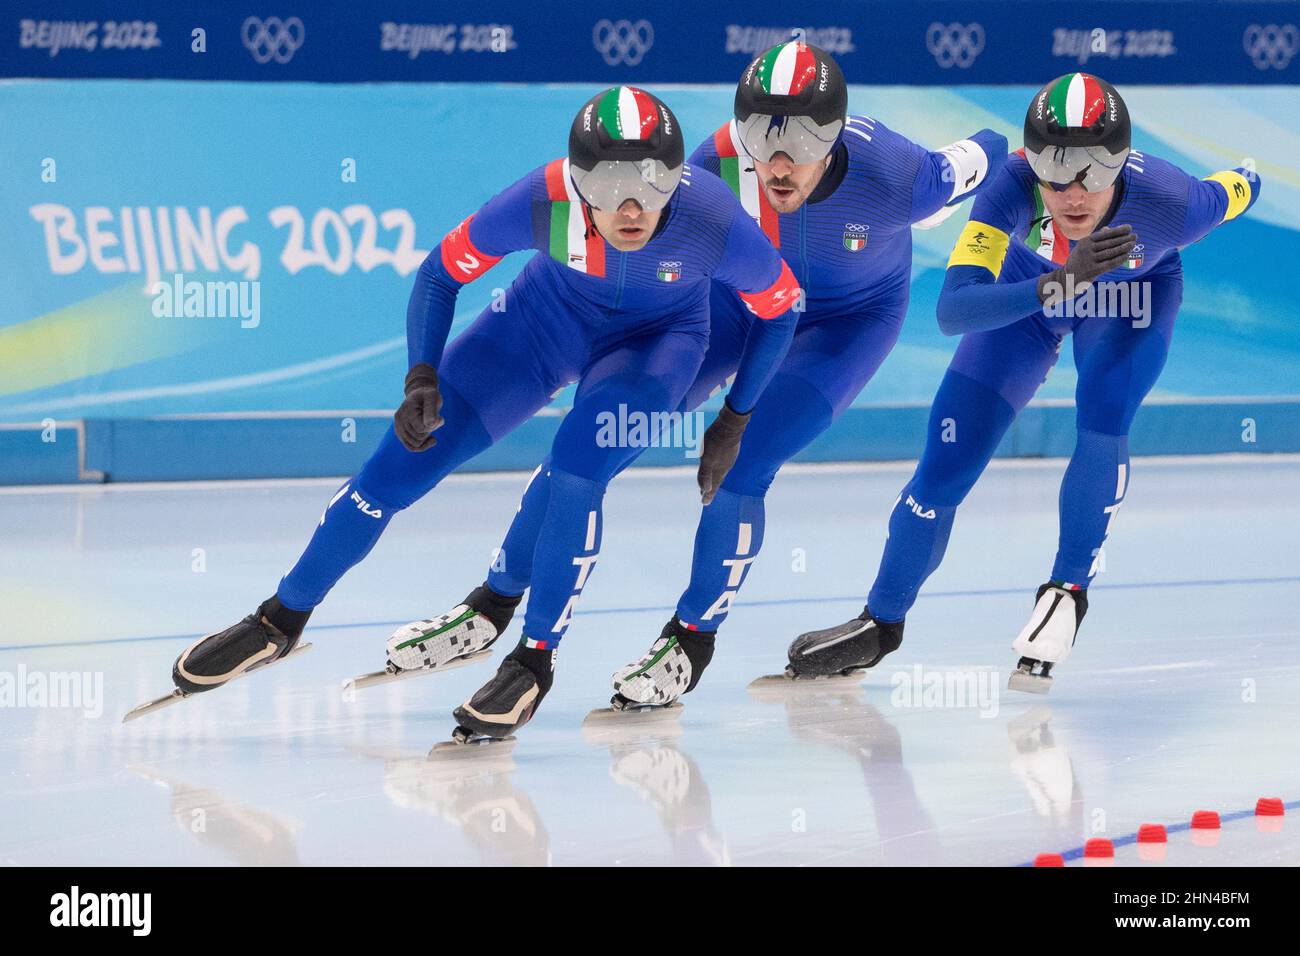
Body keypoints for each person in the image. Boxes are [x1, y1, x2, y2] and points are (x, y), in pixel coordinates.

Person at [165, 87, 801, 741]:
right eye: (608, 183)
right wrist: (420, 376)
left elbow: (781, 307)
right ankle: (279, 620)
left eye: (653, 181)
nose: (632, 204)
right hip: (538, 324)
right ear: (578, 180)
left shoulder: (709, 217)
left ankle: (533, 660)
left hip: (658, 347)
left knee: (577, 470)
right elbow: (441, 274)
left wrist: (735, 417)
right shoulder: (543, 199)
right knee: (394, 471)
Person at [426, 41, 1006, 711]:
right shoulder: (713, 165)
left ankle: (692, 639)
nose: (780, 161)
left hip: (846, 326)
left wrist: (998, 223)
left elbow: (995, 147)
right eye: (763, 135)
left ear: (839, 132)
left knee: (742, 466)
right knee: (600, 437)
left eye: (807, 137)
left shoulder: (905, 175)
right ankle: (496, 600)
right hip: (739, 309)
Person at [784, 72, 1262, 693]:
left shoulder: (1173, 202)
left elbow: (1236, 187)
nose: (1072, 189)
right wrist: (1058, 284)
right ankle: (881, 622)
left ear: (1120, 161)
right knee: (946, 464)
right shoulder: (1012, 187)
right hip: (1032, 295)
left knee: (1103, 412)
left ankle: (1067, 589)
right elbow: (954, 310)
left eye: (1092, 168)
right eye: (1053, 167)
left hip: (1131, 298)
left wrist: (1249, 174)